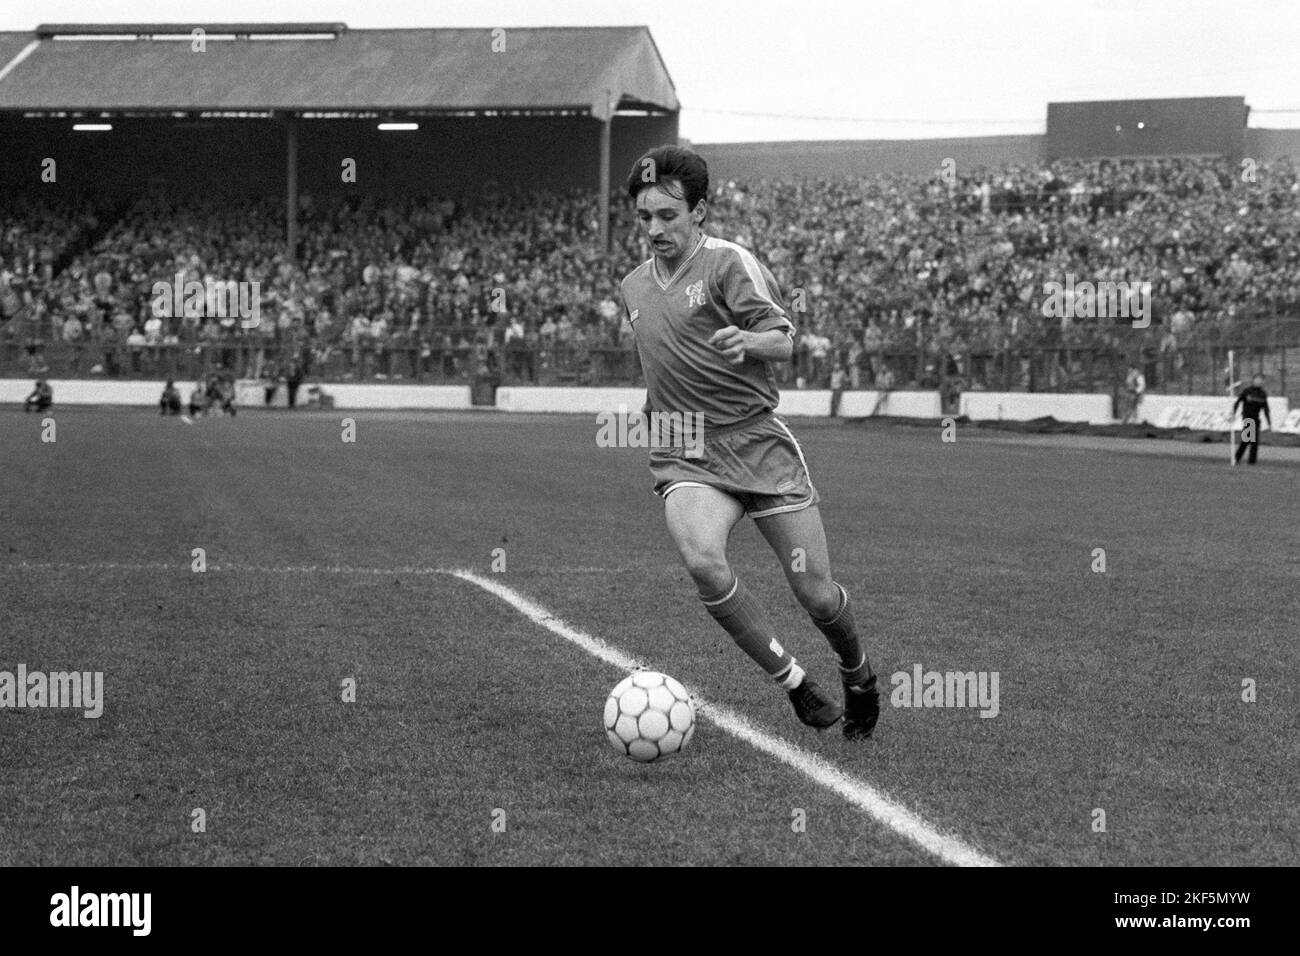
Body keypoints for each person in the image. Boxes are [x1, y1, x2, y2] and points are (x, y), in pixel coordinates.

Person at [620, 145, 879, 740]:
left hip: (756, 439)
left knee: (815, 595)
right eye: (645, 218)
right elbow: (662, 357)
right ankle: (795, 684)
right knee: (704, 563)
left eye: (667, 215)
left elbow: (784, 340)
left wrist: (748, 342)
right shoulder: (633, 288)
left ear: (700, 211)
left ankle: (857, 672)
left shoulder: (729, 264)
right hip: (684, 444)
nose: (654, 229)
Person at [1232, 374, 1272, 465]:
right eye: (1257, 380)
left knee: (1251, 441)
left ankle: (1246, 460)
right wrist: (1233, 413)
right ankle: (1242, 459)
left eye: (1261, 380)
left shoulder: (1262, 394)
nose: (1259, 382)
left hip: (1256, 419)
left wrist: (1269, 422)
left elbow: (1266, 409)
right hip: (1248, 418)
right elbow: (1237, 402)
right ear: (1253, 380)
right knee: (1248, 440)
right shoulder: (1247, 391)